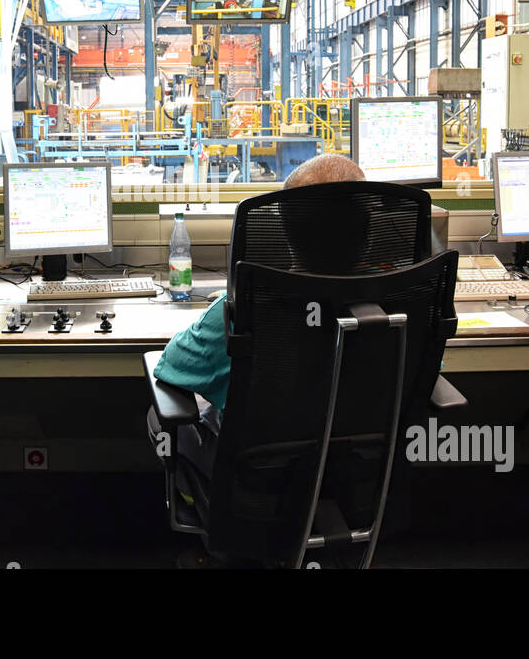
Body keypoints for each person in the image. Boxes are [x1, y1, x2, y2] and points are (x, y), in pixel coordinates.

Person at [146, 154, 367, 506]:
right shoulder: (400, 303)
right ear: (371, 225)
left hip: (258, 479)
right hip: (356, 477)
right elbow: (423, 376)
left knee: (162, 413)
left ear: (285, 231)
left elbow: (170, 367)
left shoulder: (244, 311)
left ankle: (208, 512)